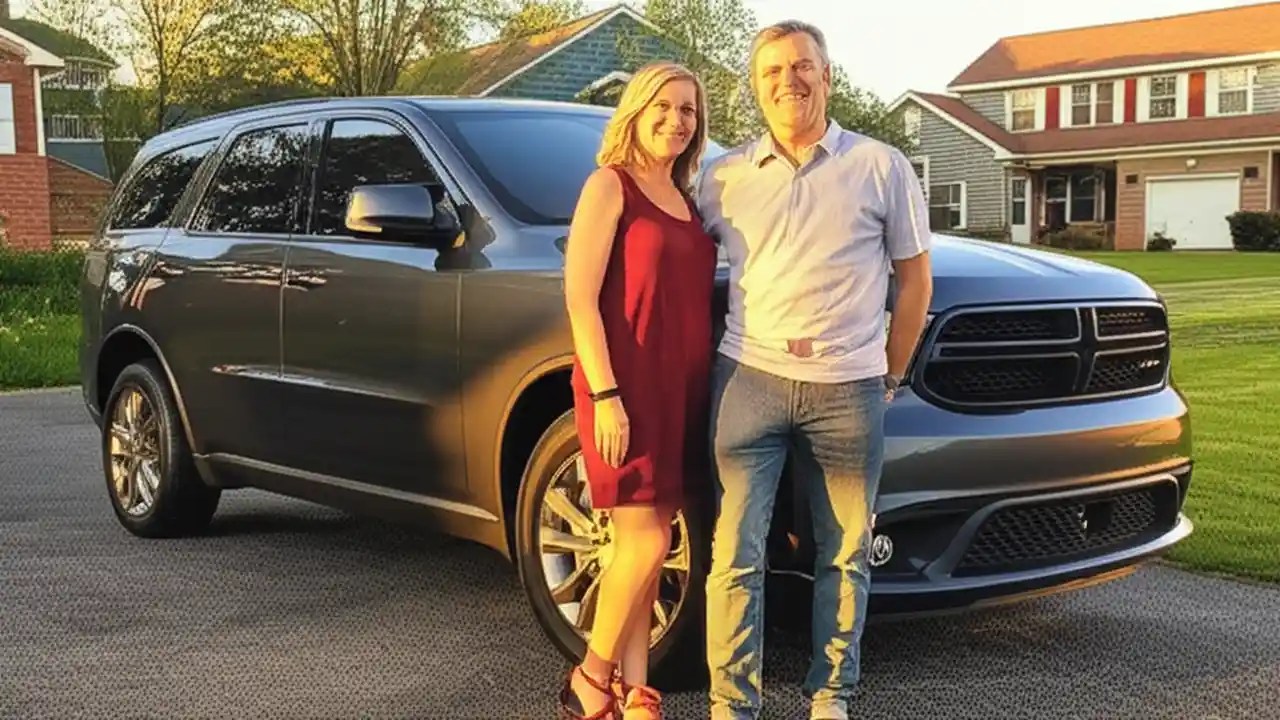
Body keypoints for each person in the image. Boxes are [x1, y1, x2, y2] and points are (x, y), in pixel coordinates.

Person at [695, 20, 934, 720]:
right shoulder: (723, 177)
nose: (788, 81)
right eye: (772, 72)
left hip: (849, 390)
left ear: (827, 77)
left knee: (845, 554)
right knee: (735, 554)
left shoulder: (880, 166)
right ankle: (731, 703)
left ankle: (832, 695)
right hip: (748, 383)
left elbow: (914, 281)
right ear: (755, 88)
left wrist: (890, 374)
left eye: (803, 67)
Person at [560, 61, 717, 720]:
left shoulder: (687, 197)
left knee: (644, 542)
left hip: (682, 386)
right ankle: (592, 678)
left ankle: (635, 691)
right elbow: (579, 296)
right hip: (624, 387)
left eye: (688, 111)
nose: (675, 120)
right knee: (645, 540)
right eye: (663, 105)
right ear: (635, 110)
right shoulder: (610, 186)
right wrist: (605, 394)